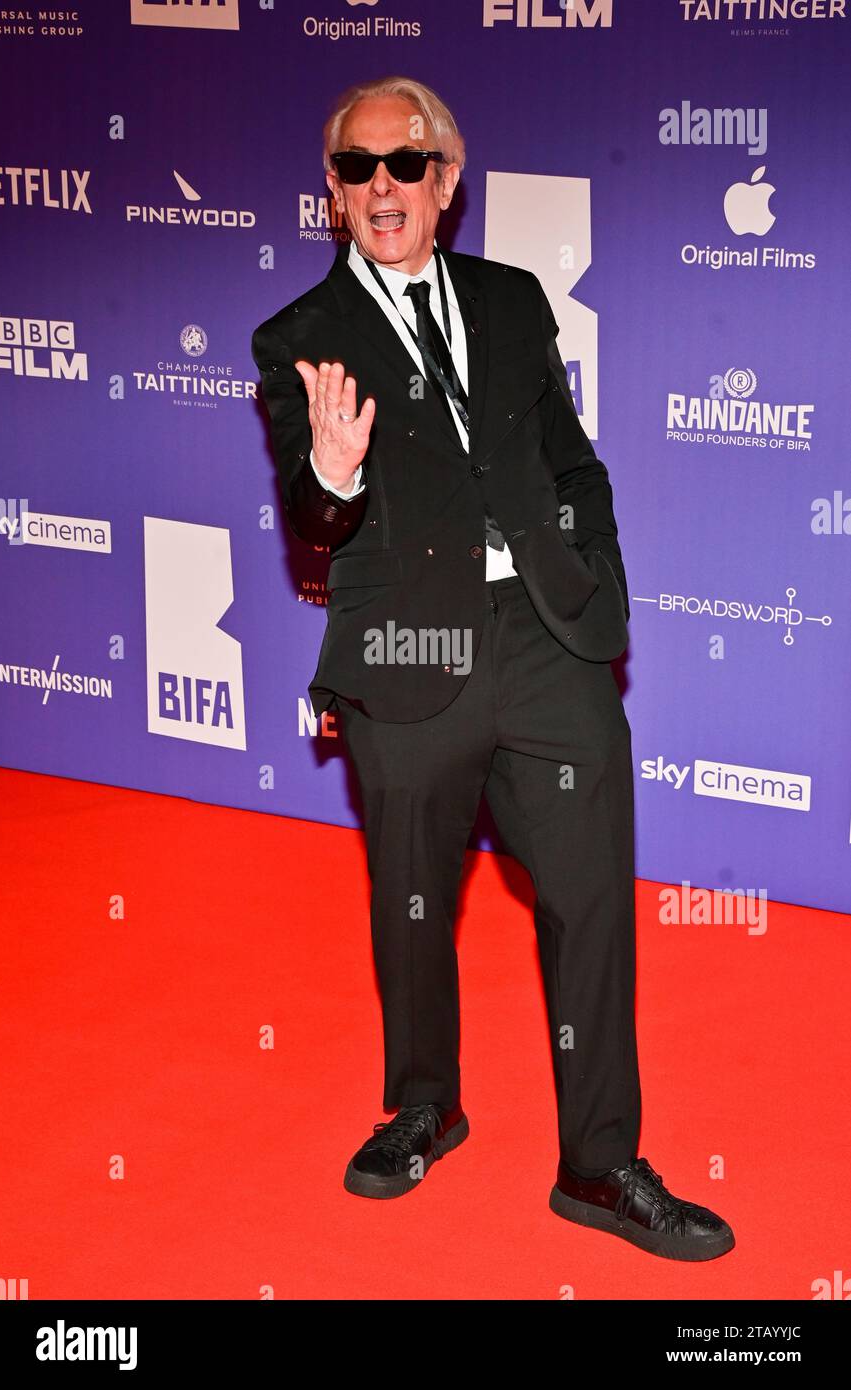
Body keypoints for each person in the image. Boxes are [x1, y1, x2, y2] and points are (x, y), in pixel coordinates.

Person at [251, 75, 734, 1262]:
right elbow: (313, 524)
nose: (382, 187)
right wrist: (334, 471)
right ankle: (425, 1102)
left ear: (445, 182)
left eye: (405, 165)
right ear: (332, 194)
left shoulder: (513, 301)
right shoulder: (299, 340)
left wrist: (593, 585)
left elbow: (573, 462)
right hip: (407, 649)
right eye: (357, 168)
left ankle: (600, 1160)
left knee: (588, 899)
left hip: (545, 642)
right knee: (411, 903)